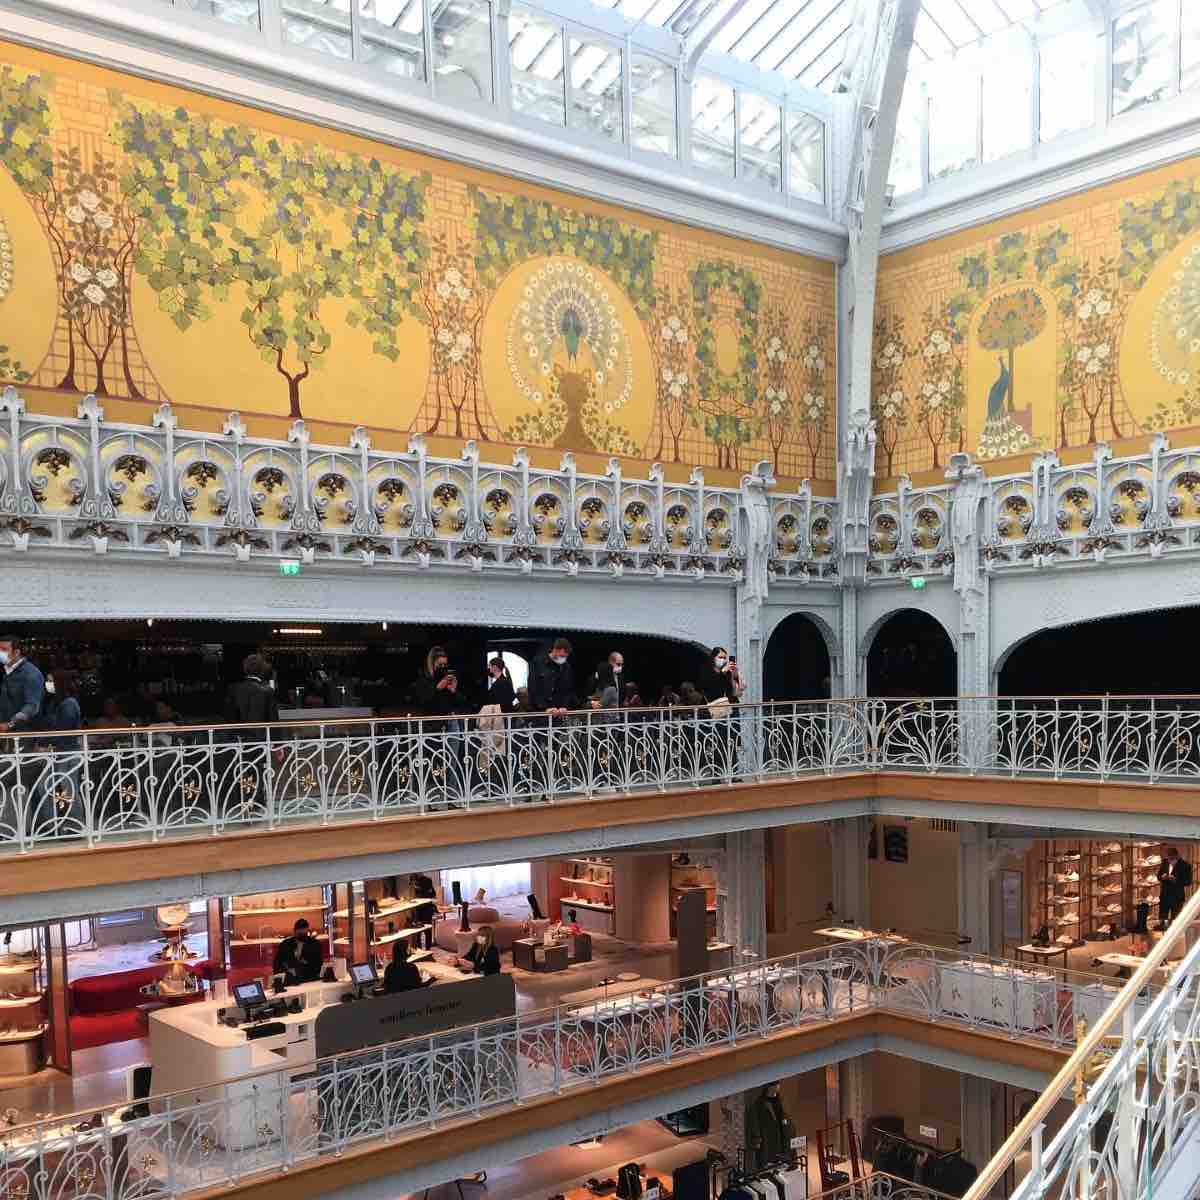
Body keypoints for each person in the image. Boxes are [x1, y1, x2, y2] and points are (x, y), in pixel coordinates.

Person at [0, 635, 45, 735]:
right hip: (6, 733)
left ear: (16, 652)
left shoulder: (31, 674)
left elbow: (32, 706)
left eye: (4, 650)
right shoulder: (7, 671)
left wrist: (10, 724)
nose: (0, 653)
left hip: (24, 734)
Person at [225, 654, 279, 729]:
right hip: (262, 737)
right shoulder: (268, 691)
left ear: (245, 668)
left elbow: (229, 717)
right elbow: (274, 722)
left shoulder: (232, 689)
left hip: (239, 737)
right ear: (262, 670)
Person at [528, 638, 577, 717]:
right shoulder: (537, 663)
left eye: (565, 657)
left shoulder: (566, 667)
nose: (563, 659)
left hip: (560, 715)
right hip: (541, 714)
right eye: (562, 656)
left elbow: (569, 690)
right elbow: (533, 688)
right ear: (555, 650)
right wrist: (544, 708)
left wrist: (564, 706)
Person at [273, 918, 323, 984]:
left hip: (309, 980)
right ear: (294, 931)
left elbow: (318, 964)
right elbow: (277, 964)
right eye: (299, 932)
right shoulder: (285, 944)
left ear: (307, 930)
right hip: (289, 980)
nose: (302, 934)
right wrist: (279, 979)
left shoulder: (314, 944)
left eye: (304, 932)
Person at [1157, 847, 1193, 926]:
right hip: (1165, 895)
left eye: (1171, 858)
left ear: (1176, 856)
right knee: (1163, 918)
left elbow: (1188, 882)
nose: (1169, 860)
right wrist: (1162, 877)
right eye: (1168, 857)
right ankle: (1163, 929)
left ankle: (1172, 933)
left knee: (1175, 920)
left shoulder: (1185, 865)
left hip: (1177, 896)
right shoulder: (1165, 862)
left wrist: (1175, 880)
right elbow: (1158, 876)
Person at [410, 872, 437, 951]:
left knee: (427, 930)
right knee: (418, 931)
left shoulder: (427, 880)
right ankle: (420, 950)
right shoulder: (412, 880)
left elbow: (432, 893)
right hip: (417, 909)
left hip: (426, 908)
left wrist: (421, 891)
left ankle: (428, 950)